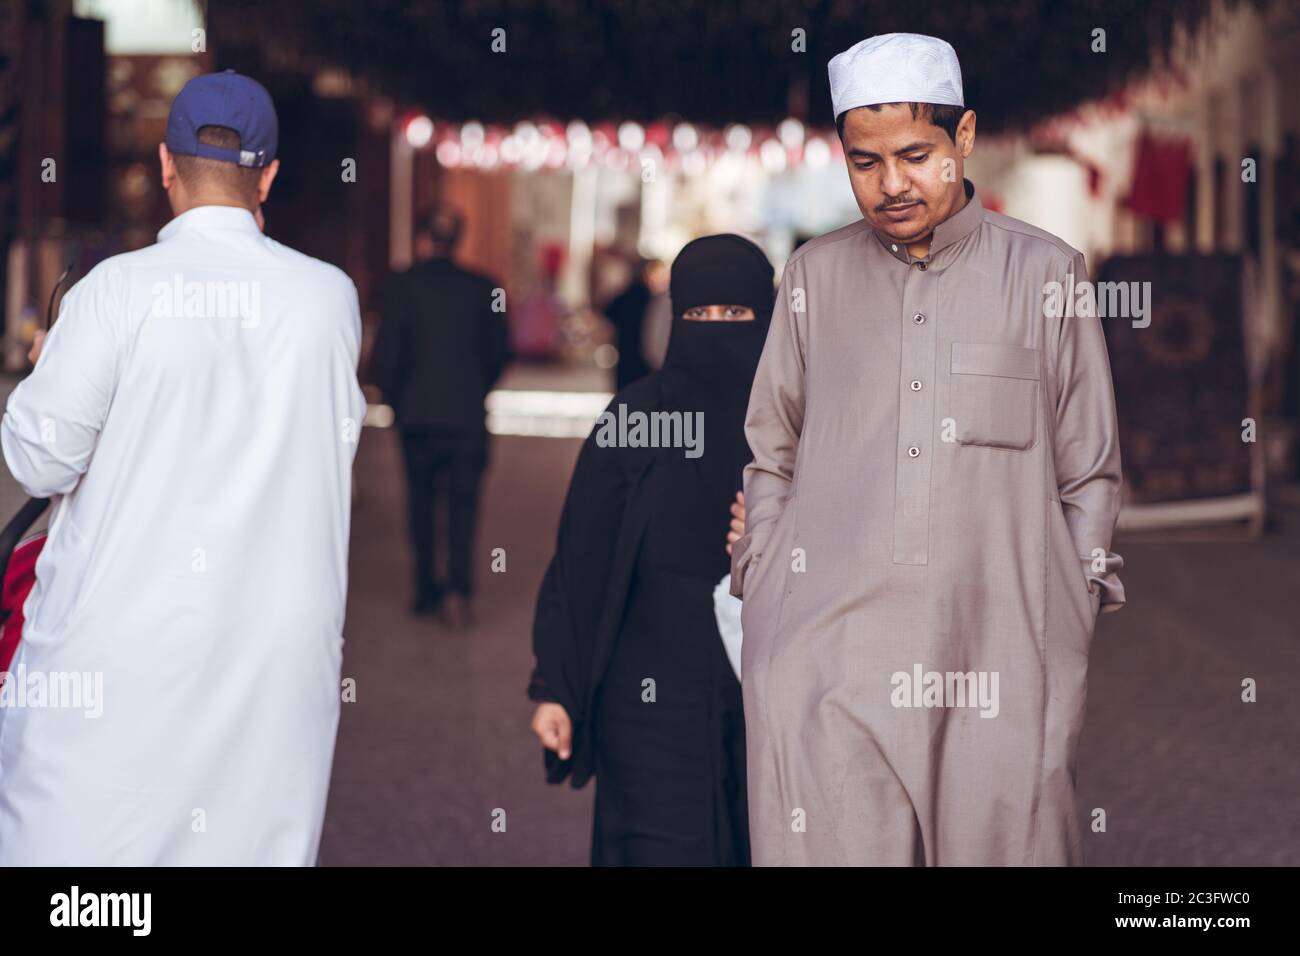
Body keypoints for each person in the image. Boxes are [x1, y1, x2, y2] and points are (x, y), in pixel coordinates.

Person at [730, 33, 1126, 866]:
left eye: (915, 155)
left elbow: (1088, 469)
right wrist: (765, 577)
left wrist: (1070, 608)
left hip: (1001, 654)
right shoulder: (813, 277)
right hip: (828, 656)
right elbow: (773, 449)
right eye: (865, 162)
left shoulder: (1046, 275)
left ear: (965, 138)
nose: (891, 184)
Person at [0, 70, 366, 865]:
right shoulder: (328, 299)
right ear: (269, 175)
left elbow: (37, 458)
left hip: (119, 647)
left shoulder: (113, 294)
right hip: (274, 650)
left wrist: (47, 362)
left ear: (166, 166)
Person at [528, 234, 774, 866]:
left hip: (770, 695)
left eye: (737, 316)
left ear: (769, 319)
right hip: (649, 694)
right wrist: (557, 684)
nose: (716, 331)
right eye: (698, 316)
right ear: (675, 318)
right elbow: (582, 552)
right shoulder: (639, 416)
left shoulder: (800, 422)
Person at [374, 206, 509, 626]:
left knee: (421, 503)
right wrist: (474, 390)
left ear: (423, 238)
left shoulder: (401, 286)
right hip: (467, 416)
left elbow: (385, 356)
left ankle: (426, 589)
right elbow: (500, 353)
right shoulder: (486, 288)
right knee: (464, 505)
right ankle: (460, 587)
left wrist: (399, 402)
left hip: (418, 418)